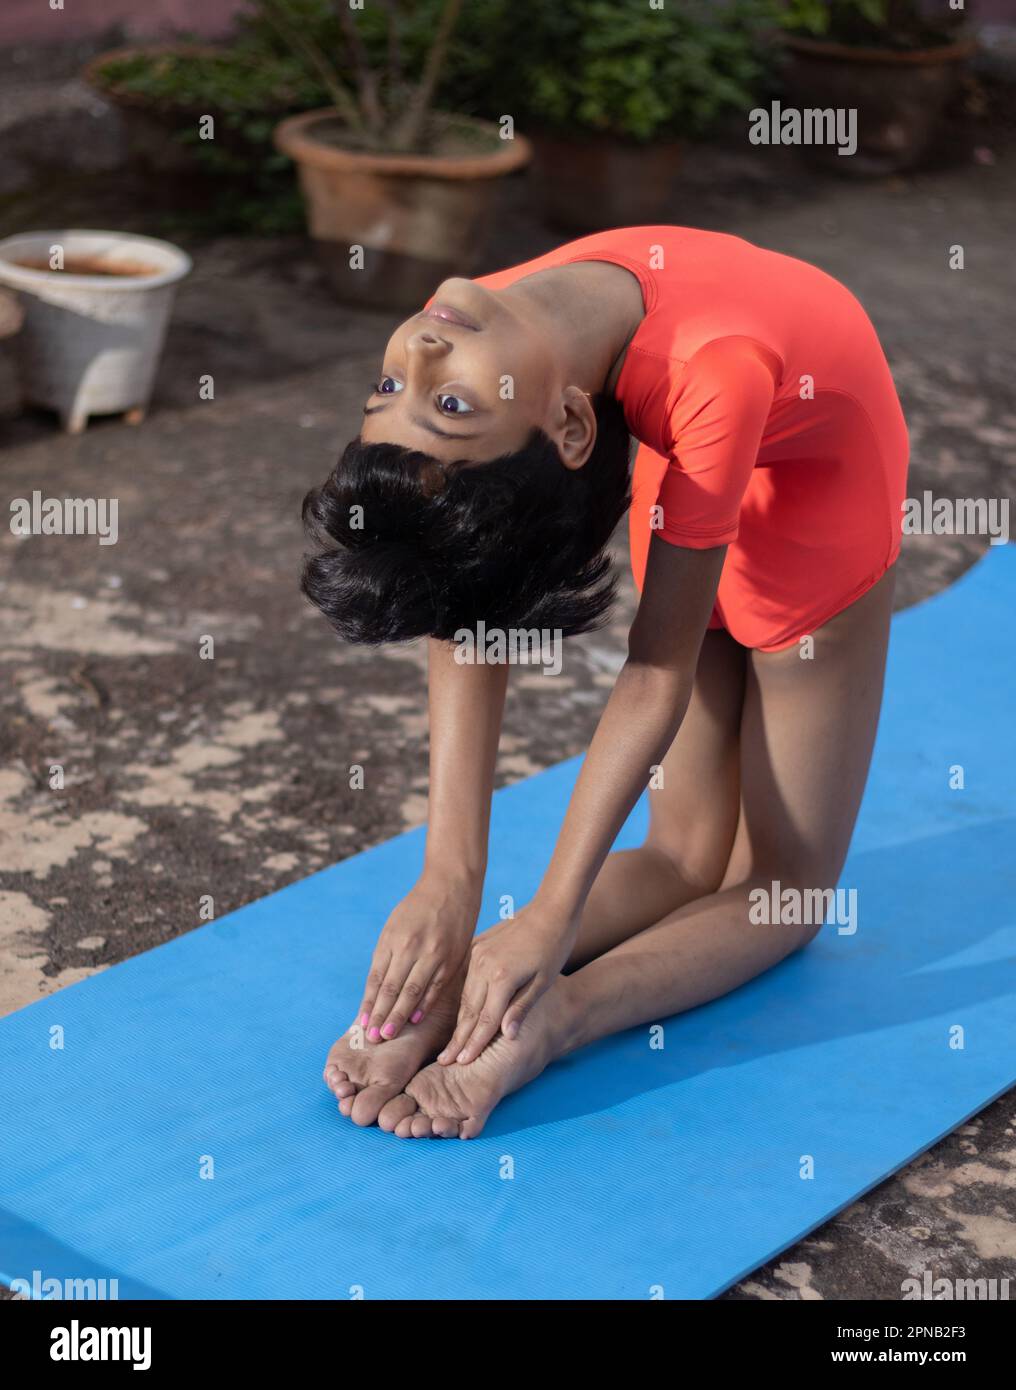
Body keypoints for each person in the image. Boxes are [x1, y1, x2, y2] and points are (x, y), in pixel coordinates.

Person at [305, 225, 909, 1138]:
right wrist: (449, 878)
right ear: (570, 425)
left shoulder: (490, 319)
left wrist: (554, 914)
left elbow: (653, 666)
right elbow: (471, 593)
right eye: (427, 400)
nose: (419, 354)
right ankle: (494, 1009)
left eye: (407, 393)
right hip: (700, 471)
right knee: (734, 873)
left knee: (745, 875)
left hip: (804, 485)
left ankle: (536, 1006)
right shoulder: (495, 332)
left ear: (575, 423)